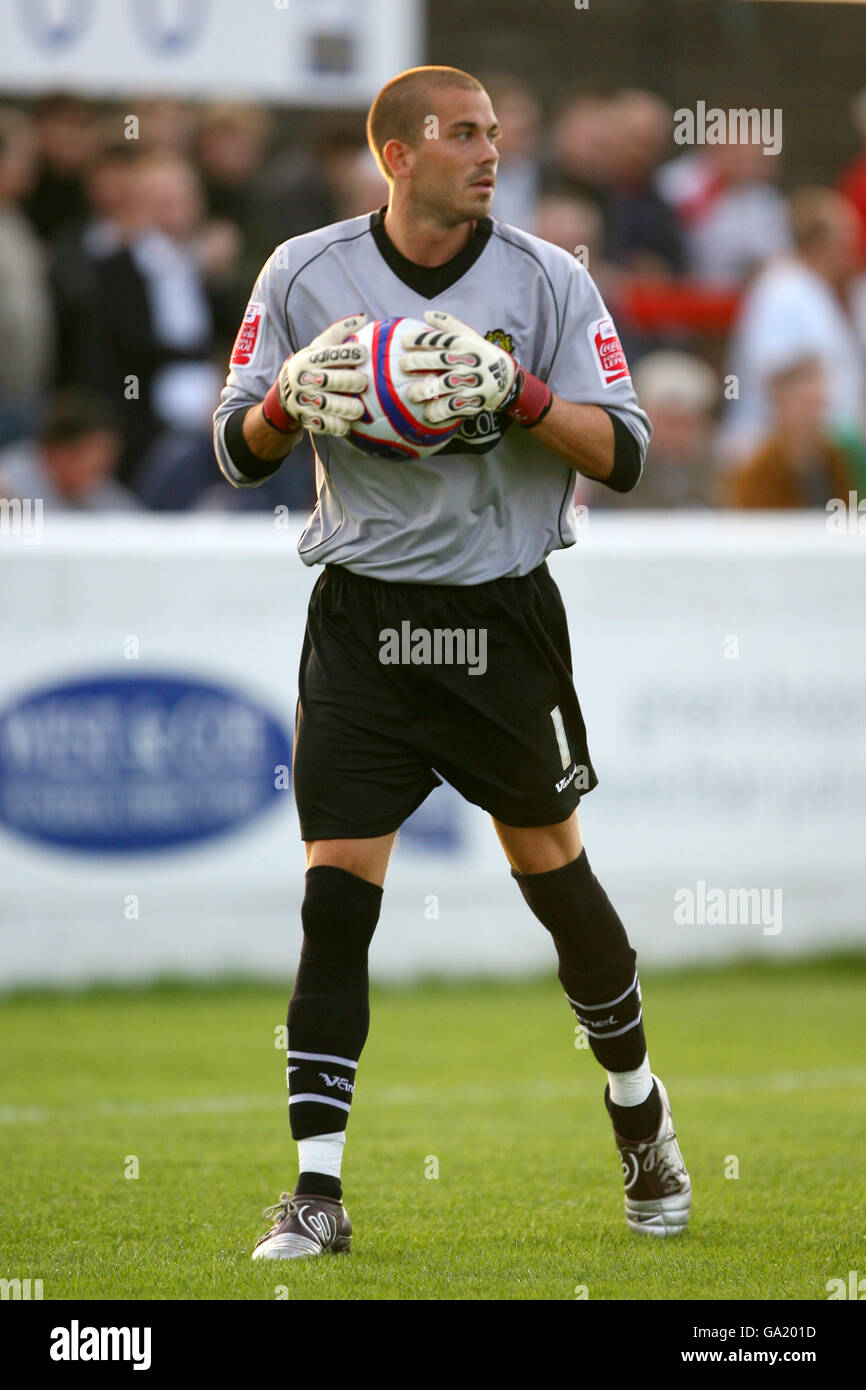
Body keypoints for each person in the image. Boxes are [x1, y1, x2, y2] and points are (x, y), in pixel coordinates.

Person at [213, 64, 691, 1261]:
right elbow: (235, 450)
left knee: (555, 881)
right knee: (335, 899)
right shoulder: (300, 272)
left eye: (497, 134)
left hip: (497, 621)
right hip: (363, 619)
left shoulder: (547, 276)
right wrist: (284, 403)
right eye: (465, 134)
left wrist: (519, 393)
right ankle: (315, 1192)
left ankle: (637, 1110)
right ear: (397, 153)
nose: (489, 152)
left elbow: (622, 451)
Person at [0, 389, 138, 512]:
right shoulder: (8, 482)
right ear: (60, 452)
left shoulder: (101, 492)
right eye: (95, 467)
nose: (103, 475)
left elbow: (137, 524)